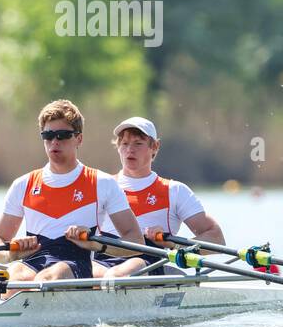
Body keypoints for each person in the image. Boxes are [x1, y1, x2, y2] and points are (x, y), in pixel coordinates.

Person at [0, 100, 146, 282]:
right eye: (48, 135)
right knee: (15, 276)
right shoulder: (23, 184)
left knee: (49, 278)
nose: (54, 141)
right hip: (33, 260)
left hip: (77, 262)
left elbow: (136, 241)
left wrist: (96, 244)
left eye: (62, 135)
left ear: (79, 139)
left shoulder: (102, 183)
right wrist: (11, 255)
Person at [93, 116, 227, 277]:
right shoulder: (101, 186)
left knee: (115, 276)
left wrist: (173, 244)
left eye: (138, 143)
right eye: (125, 143)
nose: (130, 150)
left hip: (146, 263)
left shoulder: (175, 191)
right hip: (102, 260)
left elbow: (216, 238)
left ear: (155, 147)